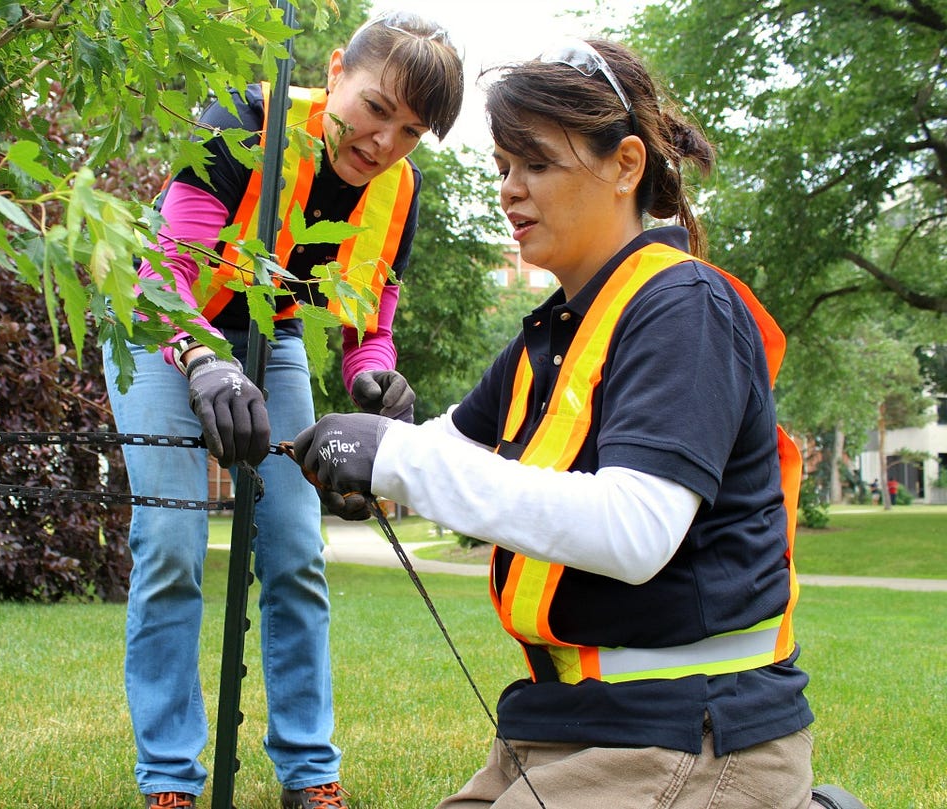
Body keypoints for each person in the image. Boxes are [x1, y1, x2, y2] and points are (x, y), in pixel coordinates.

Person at [291, 39, 866, 809]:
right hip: (560, 728)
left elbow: (634, 531)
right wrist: (347, 451)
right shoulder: (555, 331)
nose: (508, 190)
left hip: (697, 732)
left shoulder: (685, 308)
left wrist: (395, 461)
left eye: (535, 164)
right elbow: (443, 449)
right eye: (501, 166)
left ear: (625, 165)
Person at [102, 12, 464, 809]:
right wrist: (202, 362)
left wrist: (377, 379)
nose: (383, 145)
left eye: (411, 131)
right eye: (376, 110)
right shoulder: (242, 119)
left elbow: (373, 330)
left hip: (272, 334)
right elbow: (170, 273)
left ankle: (309, 772)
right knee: (170, 542)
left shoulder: (399, 192)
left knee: (298, 550)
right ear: (336, 70)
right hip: (161, 323)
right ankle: (170, 779)